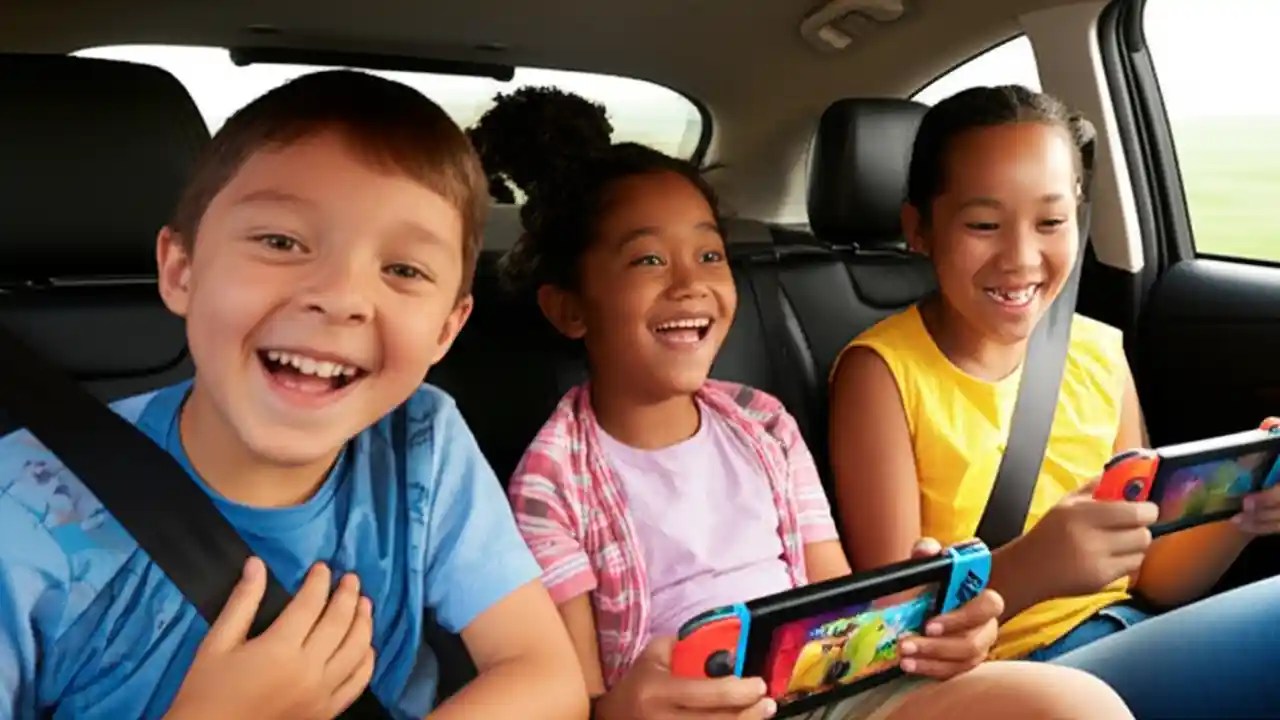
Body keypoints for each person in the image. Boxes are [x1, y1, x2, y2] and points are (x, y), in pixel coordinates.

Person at [489, 87, 1133, 720]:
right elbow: (574, 698)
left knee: (1074, 703)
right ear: (569, 308)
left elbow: (842, 605)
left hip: (827, 694)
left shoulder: (764, 425)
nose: (690, 284)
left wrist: (930, 623)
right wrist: (620, 711)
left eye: (710, 255)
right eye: (649, 260)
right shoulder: (553, 482)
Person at [0, 71, 586, 720]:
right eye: (280, 242)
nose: (339, 297)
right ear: (182, 271)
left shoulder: (421, 441)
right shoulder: (23, 508)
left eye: (403, 269)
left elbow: (545, 675)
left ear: (446, 330)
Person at [829, 84, 1280, 716]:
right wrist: (1032, 567)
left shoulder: (1097, 352)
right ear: (919, 229)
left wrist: (1241, 511)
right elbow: (895, 632)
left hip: (1128, 632)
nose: (1020, 257)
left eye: (1050, 222)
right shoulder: (882, 374)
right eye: (983, 225)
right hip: (1001, 681)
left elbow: (1151, 574)